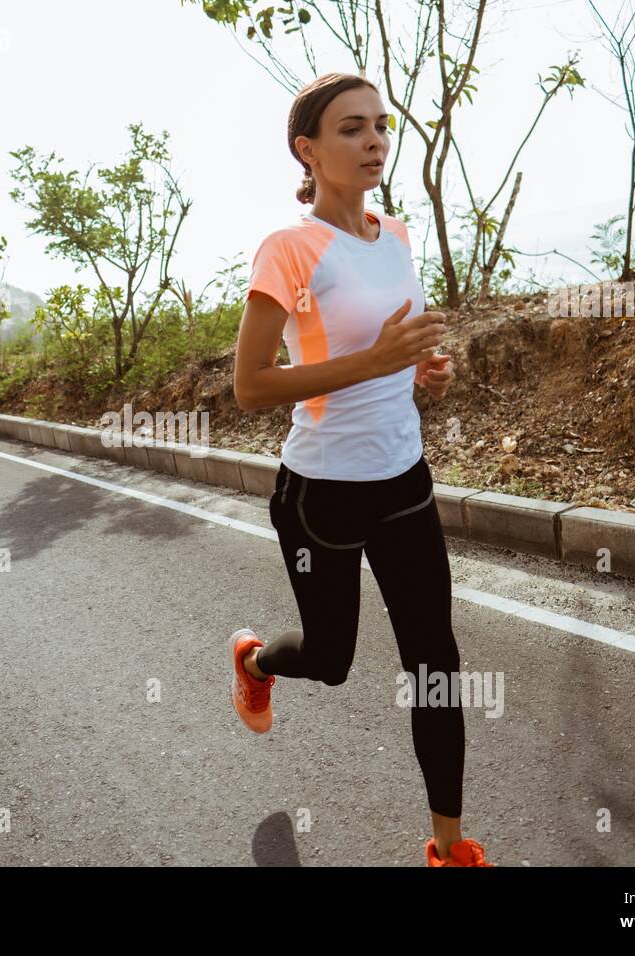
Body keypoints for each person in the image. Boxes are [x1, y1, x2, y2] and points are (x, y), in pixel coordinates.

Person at [230, 72, 489, 868]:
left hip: (404, 480)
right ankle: (257, 661)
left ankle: (449, 848)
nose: (374, 139)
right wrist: (373, 360)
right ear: (308, 150)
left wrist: (422, 373)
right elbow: (251, 386)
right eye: (351, 129)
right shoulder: (291, 248)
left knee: (434, 662)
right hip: (321, 495)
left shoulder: (399, 235)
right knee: (332, 661)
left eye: (379, 125)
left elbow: (401, 349)